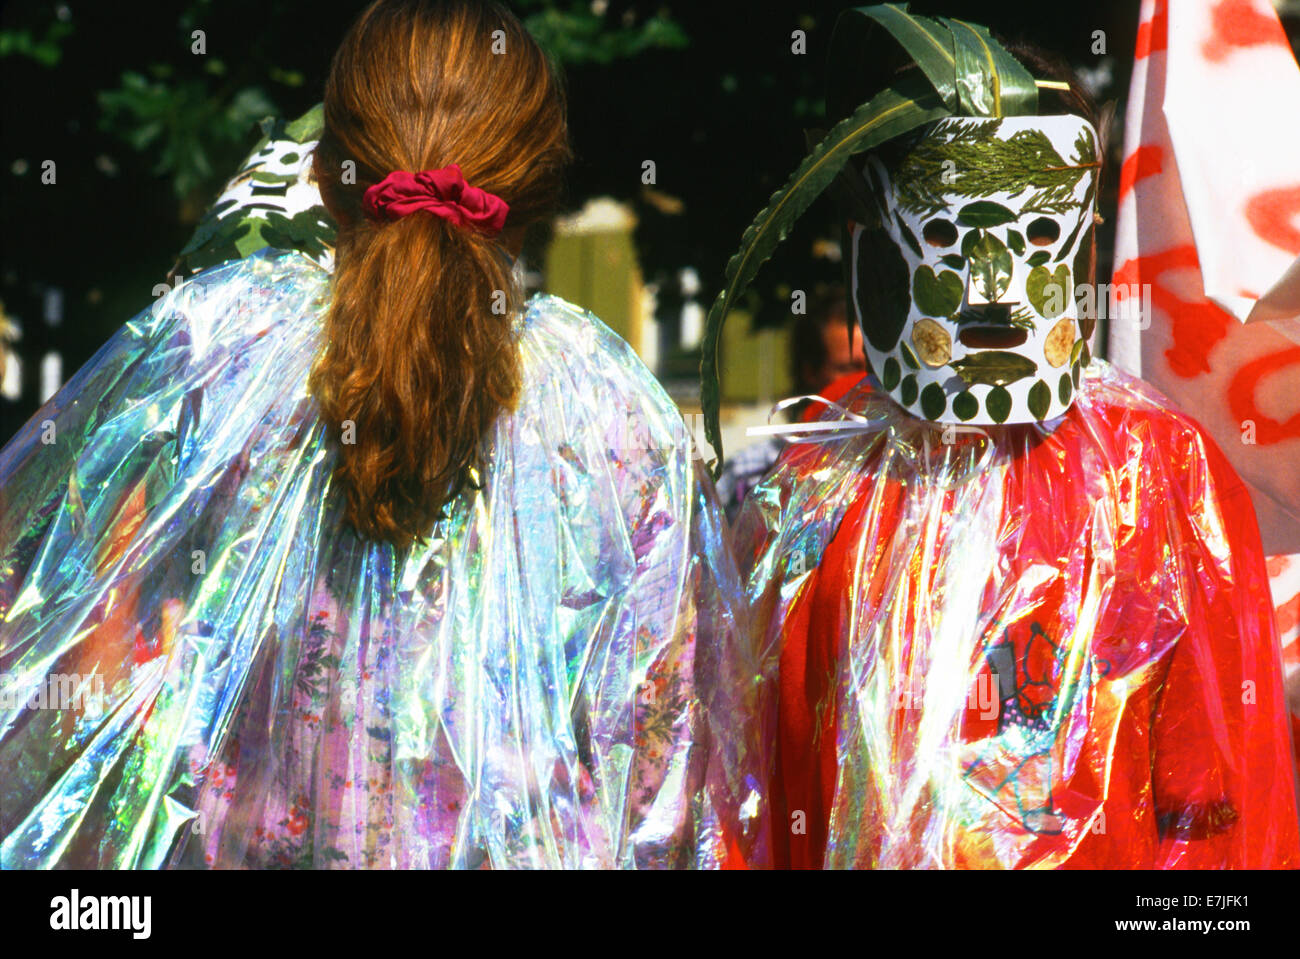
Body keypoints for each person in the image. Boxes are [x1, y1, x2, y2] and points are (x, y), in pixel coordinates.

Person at [0, 0, 762, 869]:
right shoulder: (618, 407)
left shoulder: (223, 348)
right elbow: (661, 760)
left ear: (322, 176)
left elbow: (72, 627)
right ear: (544, 191)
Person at [707, 6, 1300, 868]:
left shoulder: (1157, 480)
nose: (989, 293)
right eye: (947, 236)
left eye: (1029, 239)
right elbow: (758, 791)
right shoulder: (811, 508)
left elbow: (1218, 805)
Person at [716, 285, 867, 522]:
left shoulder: (899, 473)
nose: (865, 384)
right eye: (849, 369)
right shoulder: (754, 475)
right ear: (810, 371)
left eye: (874, 372)